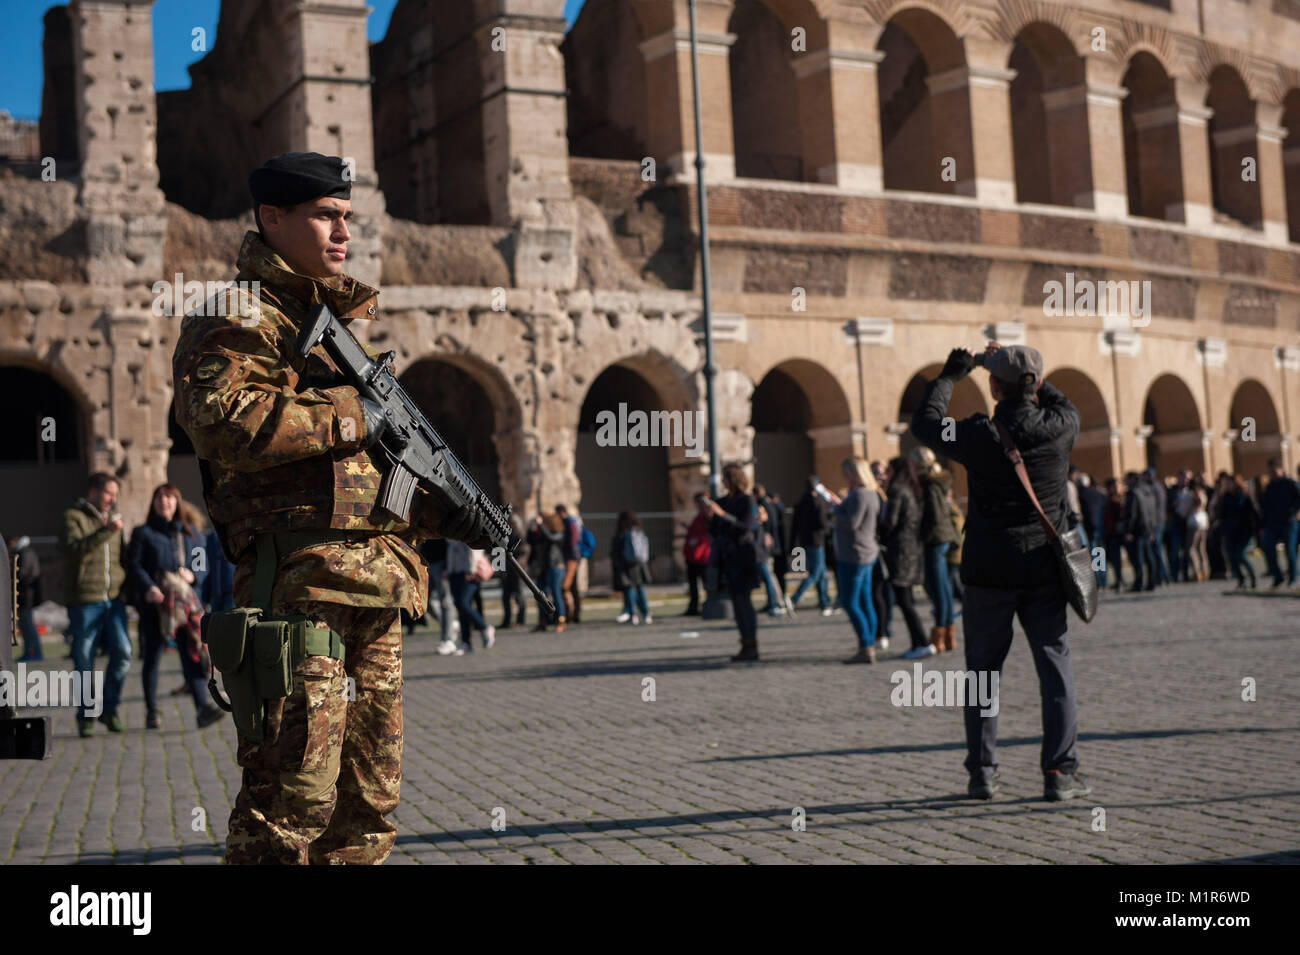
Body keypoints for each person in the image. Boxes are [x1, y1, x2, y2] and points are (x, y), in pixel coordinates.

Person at [172, 151, 491, 865]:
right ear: (272, 218)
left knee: (369, 807)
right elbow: (220, 418)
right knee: (293, 799)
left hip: (379, 589)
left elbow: (371, 471)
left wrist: (445, 515)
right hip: (299, 587)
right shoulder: (237, 316)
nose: (342, 231)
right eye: (324, 215)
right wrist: (353, 411)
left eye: (346, 216)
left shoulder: (343, 327)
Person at [912, 342, 1091, 803]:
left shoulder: (979, 435)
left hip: (989, 571)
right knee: (1055, 669)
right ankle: (1059, 770)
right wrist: (1026, 374)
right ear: (1036, 385)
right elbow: (1061, 401)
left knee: (982, 676)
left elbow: (925, 424)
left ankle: (984, 773)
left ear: (993, 387)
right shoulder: (1061, 426)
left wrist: (953, 373)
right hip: (1045, 572)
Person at [127, 484, 222, 730]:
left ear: (177, 503)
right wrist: (149, 587)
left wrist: (193, 576)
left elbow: (203, 567)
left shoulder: (194, 535)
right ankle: (151, 710)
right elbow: (134, 566)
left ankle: (203, 708)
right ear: (153, 504)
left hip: (186, 608)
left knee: (191, 656)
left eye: (168, 498)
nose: (164, 502)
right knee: (153, 658)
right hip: (157, 607)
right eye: (159, 498)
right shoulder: (143, 533)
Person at [60, 472, 132, 737]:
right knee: (83, 660)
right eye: (108, 493)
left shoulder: (114, 520)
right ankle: (86, 716)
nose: (112, 499)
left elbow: (123, 559)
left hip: (113, 601)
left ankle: (109, 709)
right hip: (84, 602)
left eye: (115, 495)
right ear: (93, 491)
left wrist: (126, 591)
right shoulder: (73, 517)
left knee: (124, 652)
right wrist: (104, 532)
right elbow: (71, 550)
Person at [820, 458, 882, 665]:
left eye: (846, 473)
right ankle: (869, 642)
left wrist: (833, 510)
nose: (844, 477)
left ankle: (865, 646)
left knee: (850, 601)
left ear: (853, 474)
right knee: (865, 600)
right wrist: (839, 505)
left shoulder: (859, 495)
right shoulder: (870, 493)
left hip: (854, 553)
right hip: (865, 552)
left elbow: (851, 522)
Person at [706, 465, 761, 661]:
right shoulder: (722, 501)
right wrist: (711, 518)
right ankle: (744, 642)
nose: (723, 482)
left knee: (744, 601)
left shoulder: (746, 500)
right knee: (736, 602)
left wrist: (722, 515)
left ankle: (751, 643)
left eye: (725, 478)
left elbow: (745, 527)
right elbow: (715, 532)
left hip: (743, 556)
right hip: (727, 557)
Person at [880, 457, 931, 659]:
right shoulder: (911, 489)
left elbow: (890, 521)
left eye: (888, 469)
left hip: (899, 550)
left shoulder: (896, 490)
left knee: (904, 600)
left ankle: (923, 642)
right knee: (907, 598)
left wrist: (880, 534)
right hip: (912, 548)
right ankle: (917, 643)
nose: (886, 473)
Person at [912, 446, 960, 652]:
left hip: (935, 538)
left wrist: (922, 534)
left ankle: (940, 633)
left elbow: (933, 515)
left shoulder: (929, 484)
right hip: (943, 537)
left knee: (937, 587)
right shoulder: (938, 482)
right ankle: (949, 633)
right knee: (944, 587)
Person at [789, 477, 833, 615]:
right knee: (816, 572)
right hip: (817, 541)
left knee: (821, 572)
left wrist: (792, 544)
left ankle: (824, 602)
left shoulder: (801, 503)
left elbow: (794, 526)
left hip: (805, 541)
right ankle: (794, 598)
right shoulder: (817, 502)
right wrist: (829, 527)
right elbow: (822, 523)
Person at [446, 539, 495, 652]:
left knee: (462, 603)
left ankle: (484, 627)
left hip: (468, 571)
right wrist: (449, 569)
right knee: (460, 607)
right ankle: (466, 642)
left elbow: (473, 549)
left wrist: (472, 569)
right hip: (455, 570)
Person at [1259, 458, 1300, 588]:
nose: (1272, 474)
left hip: (1289, 523)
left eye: (1274, 471)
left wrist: (1294, 512)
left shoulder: (1290, 484)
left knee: (1290, 551)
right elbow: (1265, 507)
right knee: (1267, 548)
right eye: (1270, 471)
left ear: (1281, 469)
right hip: (1272, 524)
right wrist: (1263, 524)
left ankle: (1292, 579)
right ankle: (1278, 576)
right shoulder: (1270, 487)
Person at [527, 513, 566, 632]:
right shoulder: (543, 534)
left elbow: (550, 538)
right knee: (540, 595)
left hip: (555, 567)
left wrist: (540, 525)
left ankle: (561, 621)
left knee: (555, 593)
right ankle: (542, 621)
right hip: (544, 568)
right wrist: (531, 529)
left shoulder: (558, 533)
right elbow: (531, 541)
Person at [612, 510, 651, 625]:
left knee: (628, 587)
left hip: (626, 564)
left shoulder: (623, 533)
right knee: (640, 587)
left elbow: (617, 551)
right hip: (639, 564)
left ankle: (631, 613)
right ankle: (646, 613)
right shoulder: (638, 531)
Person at [1221, 475, 1260, 588]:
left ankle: (1253, 576)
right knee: (1232, 558)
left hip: (1244, 532)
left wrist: (1256, 528)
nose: (1227, 485)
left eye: (1230, 483)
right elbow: (1222, 514)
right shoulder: (1225, 497)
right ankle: (1241, 579)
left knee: (1240, 555)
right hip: (1230, 532)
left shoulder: (1245, 496)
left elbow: (1253, 512)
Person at [752, 485, 786, 617]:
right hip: (769, 546)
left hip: (765, 548)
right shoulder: (769, 505)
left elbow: (769, 525)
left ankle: (776, 602)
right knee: (770, 575)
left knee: (769, 575)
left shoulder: (763, 506)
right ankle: (777, 602)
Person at [9, 535, 43, 661]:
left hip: (27, 596)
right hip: (24, 596)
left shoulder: (26, 553)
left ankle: (34, 652)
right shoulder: (24, 552)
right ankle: (29, 651)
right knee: (25, 626)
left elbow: (22, 573)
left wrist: (11, 577)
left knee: (28, 626)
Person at [1123, 471, 1157, 592]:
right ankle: (1152, 582)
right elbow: (1153, 512)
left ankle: (1139, 583)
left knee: (1138, 558)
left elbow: (1132, 513)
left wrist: (1128, 531)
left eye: (1126, 479)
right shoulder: (1149, 491)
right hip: (1148, 528)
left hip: (1137, 529)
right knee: (1149, 556)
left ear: (1132, 479)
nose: (1124, 482)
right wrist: (1153, 529)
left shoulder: (1134, 492)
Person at [681, 494, 712, 616]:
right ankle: (694, 607)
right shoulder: (698, 518)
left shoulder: (707, 517)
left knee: (706, 583)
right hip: (693, 556)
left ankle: (707, 605)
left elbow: (706, 534)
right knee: (693, 584)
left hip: (703, 556)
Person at [555, 505, 583, 624]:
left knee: (565, 586)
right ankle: (575, 614)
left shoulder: (569, 523)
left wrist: (561, 543)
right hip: (572, 556)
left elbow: (571, 541)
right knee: (573, 587)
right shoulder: (573, 522)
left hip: (571, 557)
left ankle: (569, 613)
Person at [499, 513, 528, 629]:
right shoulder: (504, 535)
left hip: (517, 570)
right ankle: (506, 620)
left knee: (519, 596)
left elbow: (524, 551)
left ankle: (520, 620)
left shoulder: (520, 535)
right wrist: (501, 569)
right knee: (505, 597)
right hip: (507, 570)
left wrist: (518, 564)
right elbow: (499, 550)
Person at [201, 526, 236, 613]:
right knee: (215, 624)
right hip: (215, 595)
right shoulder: (211, 538)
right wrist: (205, 597)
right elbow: (208, 569)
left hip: (231, 594)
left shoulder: (236, 535)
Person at [1184, 474, 1211, 583]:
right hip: (1204, 520)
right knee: (1201, 548)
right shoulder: (1203, 493)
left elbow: (1191, 507)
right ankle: (1205, 570)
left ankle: (1197, 571)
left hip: (1194, 520)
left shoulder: (1192, 494)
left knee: (1191, 548)